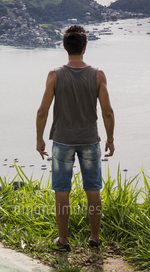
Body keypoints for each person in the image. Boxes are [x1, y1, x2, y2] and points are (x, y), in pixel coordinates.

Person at [35, 25, 115, 252]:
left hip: (62, 141)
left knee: (62, 191)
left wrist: (39, 139)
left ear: (64, 47)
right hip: (90, 140)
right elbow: (108, 112)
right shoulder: (98, 74)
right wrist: (110, 139)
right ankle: (95, 239)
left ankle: (63, 242)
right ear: (85, 47)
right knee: (93, 190)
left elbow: (42, 112)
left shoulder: (54, 75)